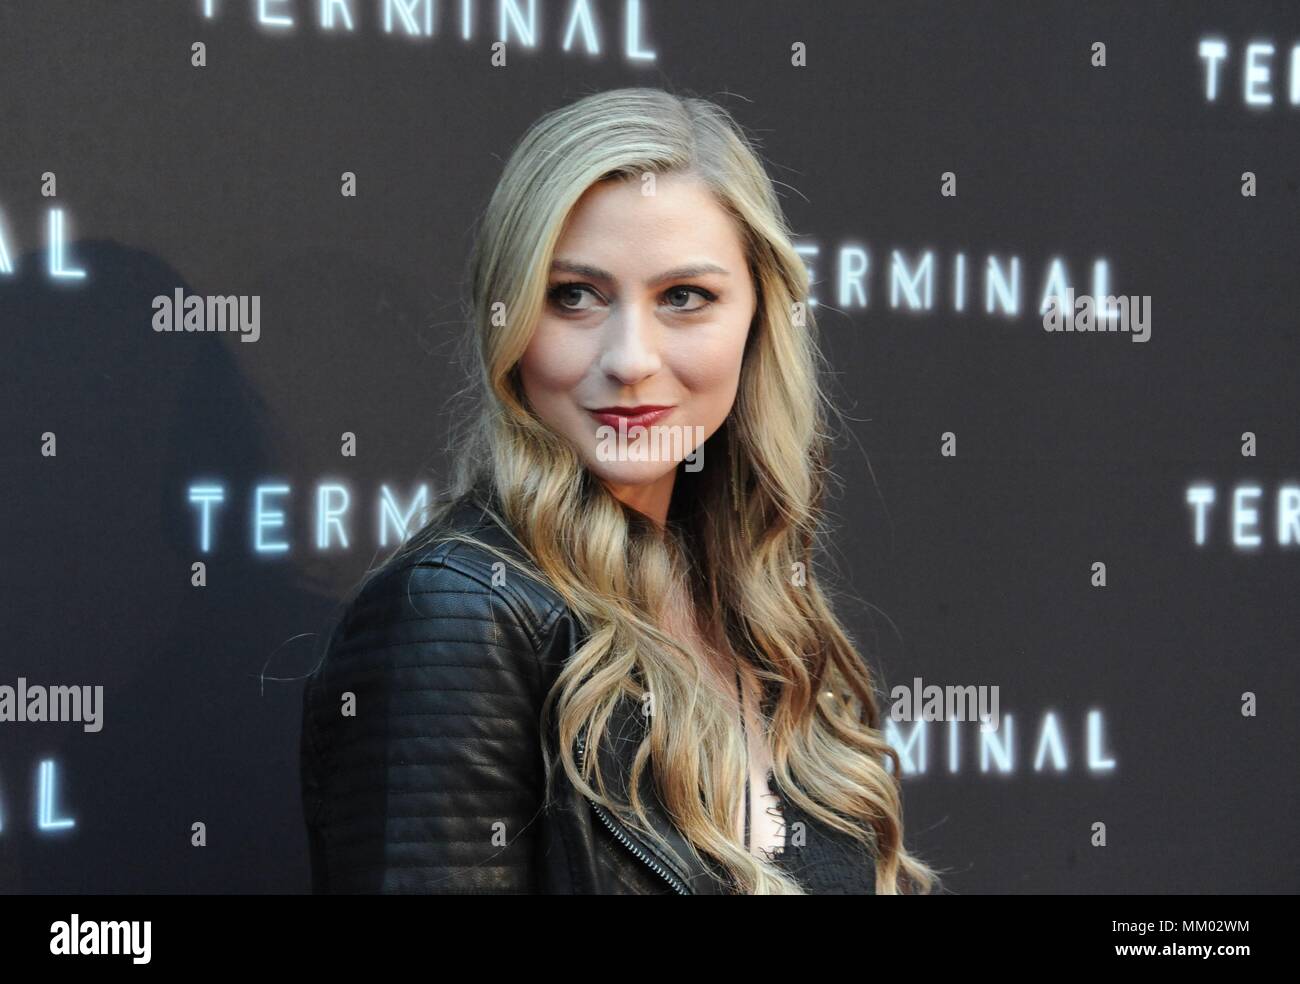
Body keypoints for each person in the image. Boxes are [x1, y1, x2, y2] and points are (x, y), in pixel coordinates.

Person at [300, 86, 937, 895]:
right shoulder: (457, 619)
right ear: (511, 320)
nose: (630, 357)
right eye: (575, 295)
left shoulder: (766, 619)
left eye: (684, 297)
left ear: (759, 318)